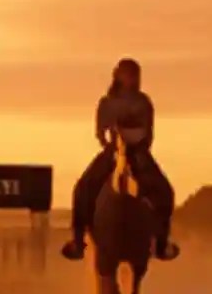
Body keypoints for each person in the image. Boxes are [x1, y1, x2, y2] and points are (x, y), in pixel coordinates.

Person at [65, 58, 178, 261]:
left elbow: (149, 132)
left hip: (139, 151)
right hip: (112, 151)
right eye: (129, 74)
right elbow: (100, 132)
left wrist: (139, 145)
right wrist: (112, 146)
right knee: (83, 187)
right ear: (119, 76)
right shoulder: (107, 103)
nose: (133, 78)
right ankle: (78, 242)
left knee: (164, 190)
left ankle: (162, 243)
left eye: (135, 74)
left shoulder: (143, 102)